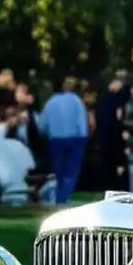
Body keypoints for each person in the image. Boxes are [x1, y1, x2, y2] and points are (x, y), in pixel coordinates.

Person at [40, 76, 89, 204]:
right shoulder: (77, 101)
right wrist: (84, 138)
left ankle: (57, 195)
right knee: (71, 170)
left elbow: (43, 124)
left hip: (56, 139)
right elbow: (81, 121)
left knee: (59, 169)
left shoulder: (51, 101)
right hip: (75, 138)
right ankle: (64, 196)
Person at [95, 76, 128, 192]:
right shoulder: (117, 99)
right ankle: (112, 183)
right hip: (113, 134)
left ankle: (106, 184)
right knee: (112, 159)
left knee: (107, 159)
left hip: (106, 134)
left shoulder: (103, 99)